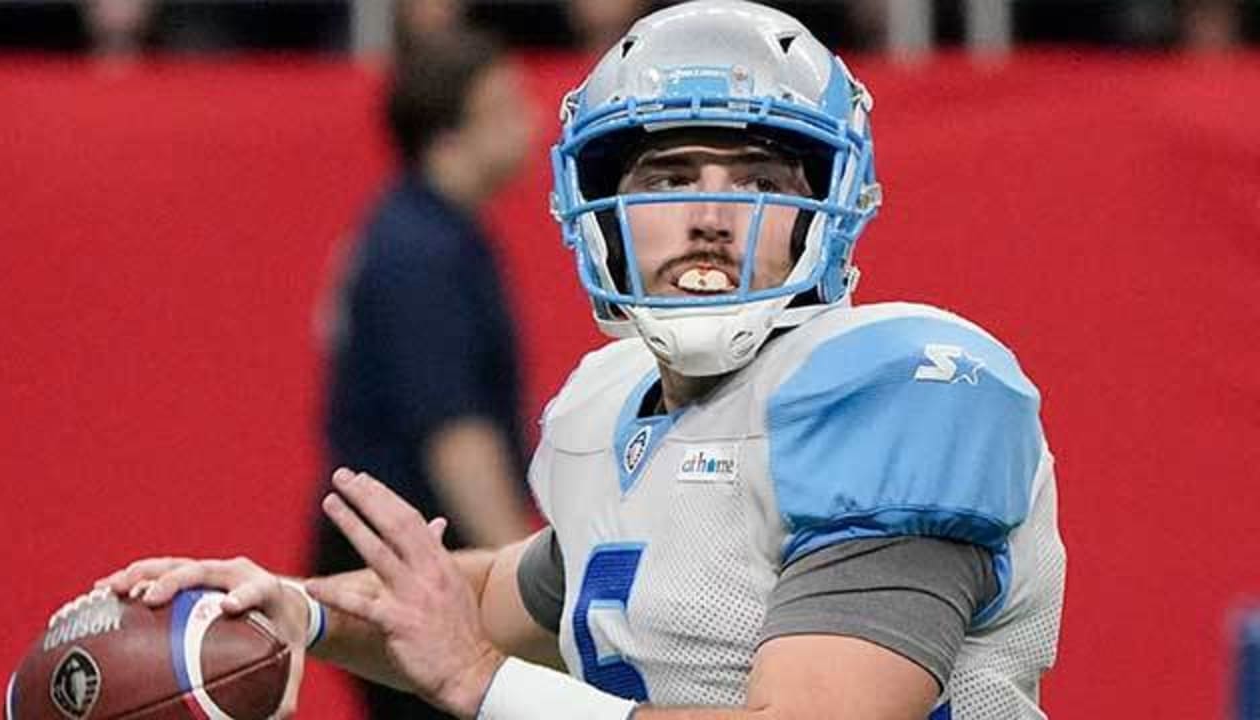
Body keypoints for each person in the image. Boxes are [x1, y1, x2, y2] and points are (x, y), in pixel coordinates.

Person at [98, 2, 1066, 718]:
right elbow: (498, 593)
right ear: (596, 211)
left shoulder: (900, 387)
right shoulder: (612, 403)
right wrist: (286, 609)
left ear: (832, 208)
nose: (708, 214)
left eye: (760, 180)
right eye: (668, 176)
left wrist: (482, 685)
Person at [312, 27, 535, 720]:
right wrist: (523, 586)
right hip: (418, 562)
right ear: (448, 135)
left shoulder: (422, 232)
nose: (529, 122)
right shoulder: (422, 254)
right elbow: (454, 431)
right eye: (505, 107)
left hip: (411, 552)